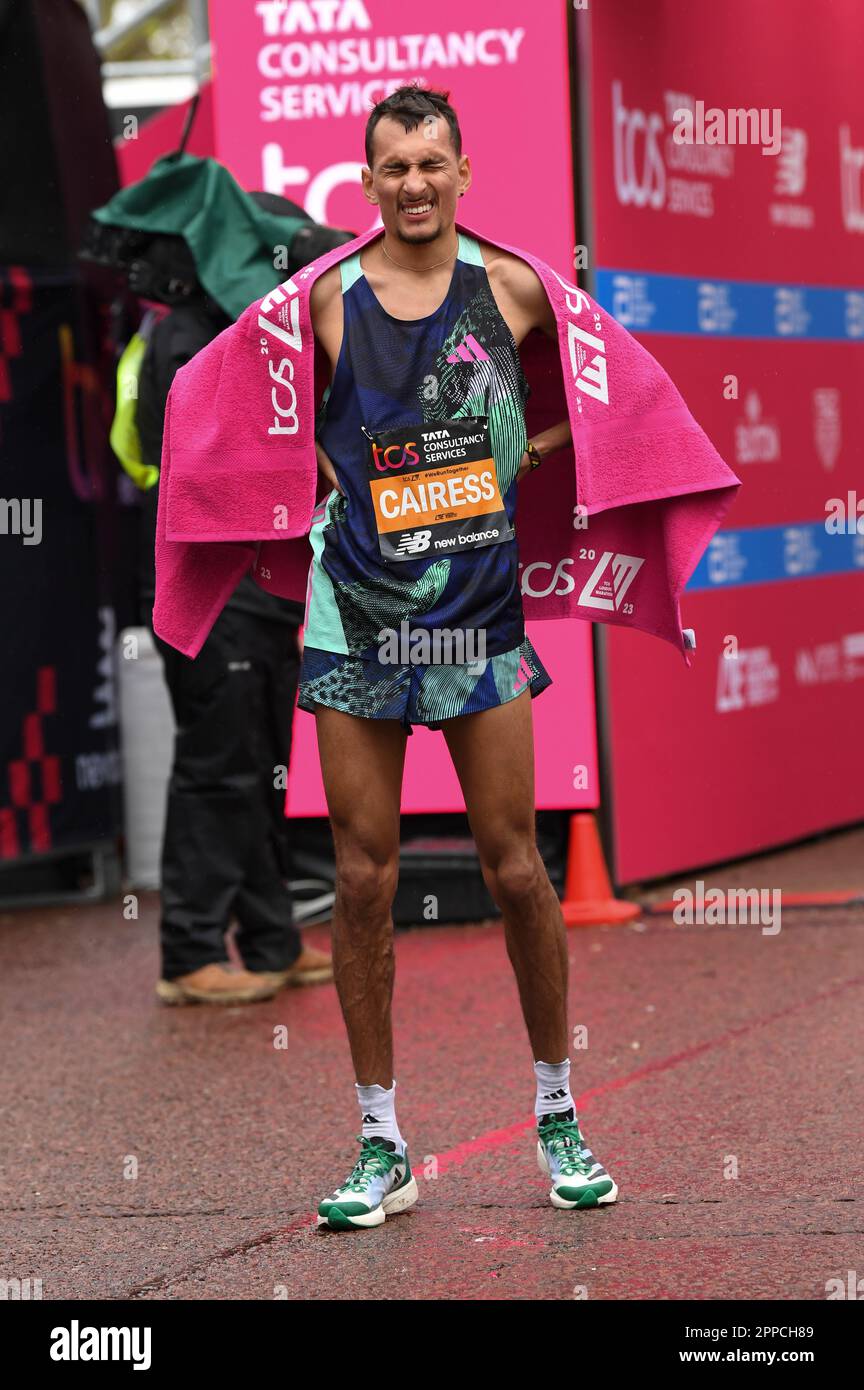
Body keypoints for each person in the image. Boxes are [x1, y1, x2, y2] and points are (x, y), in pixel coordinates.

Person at [304, 84, 617, 1229]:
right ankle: (379, 1139)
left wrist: (516, 455)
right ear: (369, 180)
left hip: (477, 616)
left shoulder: (517, 288)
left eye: (431, 164)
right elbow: (260, 427)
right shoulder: (325, 301)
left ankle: (557, 1111)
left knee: (515, 864)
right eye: (392, 168)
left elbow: (612, 401)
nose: (414, 184)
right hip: (355, 616)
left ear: (464, 172)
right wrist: (325, 484)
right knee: (363, 874)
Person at [135, 271, 333, 1006]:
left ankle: (271, 940)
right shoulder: (196, 336)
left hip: (259, 601)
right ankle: (188, 953)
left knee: (256, 766)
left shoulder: (258, 331)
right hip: (216, 597)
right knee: (217, 768)